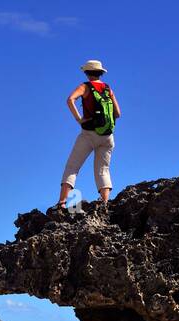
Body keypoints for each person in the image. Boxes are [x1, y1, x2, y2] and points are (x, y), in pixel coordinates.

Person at [58, 59, 121, 209]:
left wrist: (80, 120)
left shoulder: (85, 87)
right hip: (108, 136)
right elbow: (117, 113)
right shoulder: (107, 89)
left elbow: (70, 100)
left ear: (86, 73)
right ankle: (105, 203)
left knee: (72, 166)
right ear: (100, 73)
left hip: (89, 133)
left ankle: (61, 203)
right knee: (103, 169)